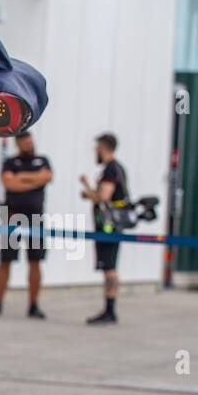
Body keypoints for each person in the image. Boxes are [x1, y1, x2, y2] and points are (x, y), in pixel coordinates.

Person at [0, 132, 53, 318]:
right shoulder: (10, 162)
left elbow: (47, 177)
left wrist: (22, 178)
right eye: (25, 142)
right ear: (18, 143)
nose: (29, 144)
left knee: (35, 261)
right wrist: (34, 180)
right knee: (5, 260)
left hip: (35, 217)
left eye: (31, 141)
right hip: (11, 216)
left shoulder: (43, 160)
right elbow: (9, 184)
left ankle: (33, 305)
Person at [80, 133, 127, 325]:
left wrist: (88, 193)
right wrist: (88, 187)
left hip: (108, 226)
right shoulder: (115, 169)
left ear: (104, 147)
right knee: (109, 266)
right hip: (109, 225)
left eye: (97, 147)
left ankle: (110, 310)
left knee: (109, 268)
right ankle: (109, 309)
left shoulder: (111, 169)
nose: (95, 151)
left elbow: (104, 197)